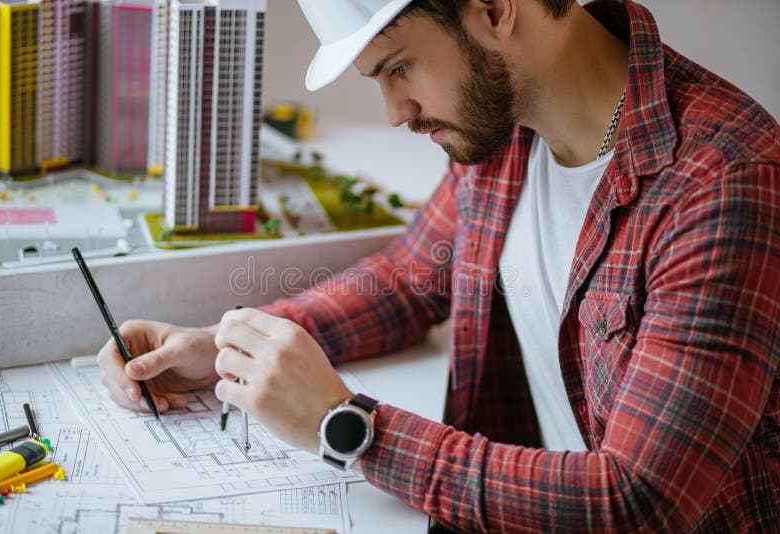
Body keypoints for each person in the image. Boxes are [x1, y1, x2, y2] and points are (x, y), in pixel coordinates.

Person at [98, 0, 780, 530]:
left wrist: (349, 425)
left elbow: (637, 504)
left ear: (492, 9)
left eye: (399, 68)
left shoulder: (724, 181)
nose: (396, 113)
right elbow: (409, 279)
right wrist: (229, 345)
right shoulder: (505, 127)